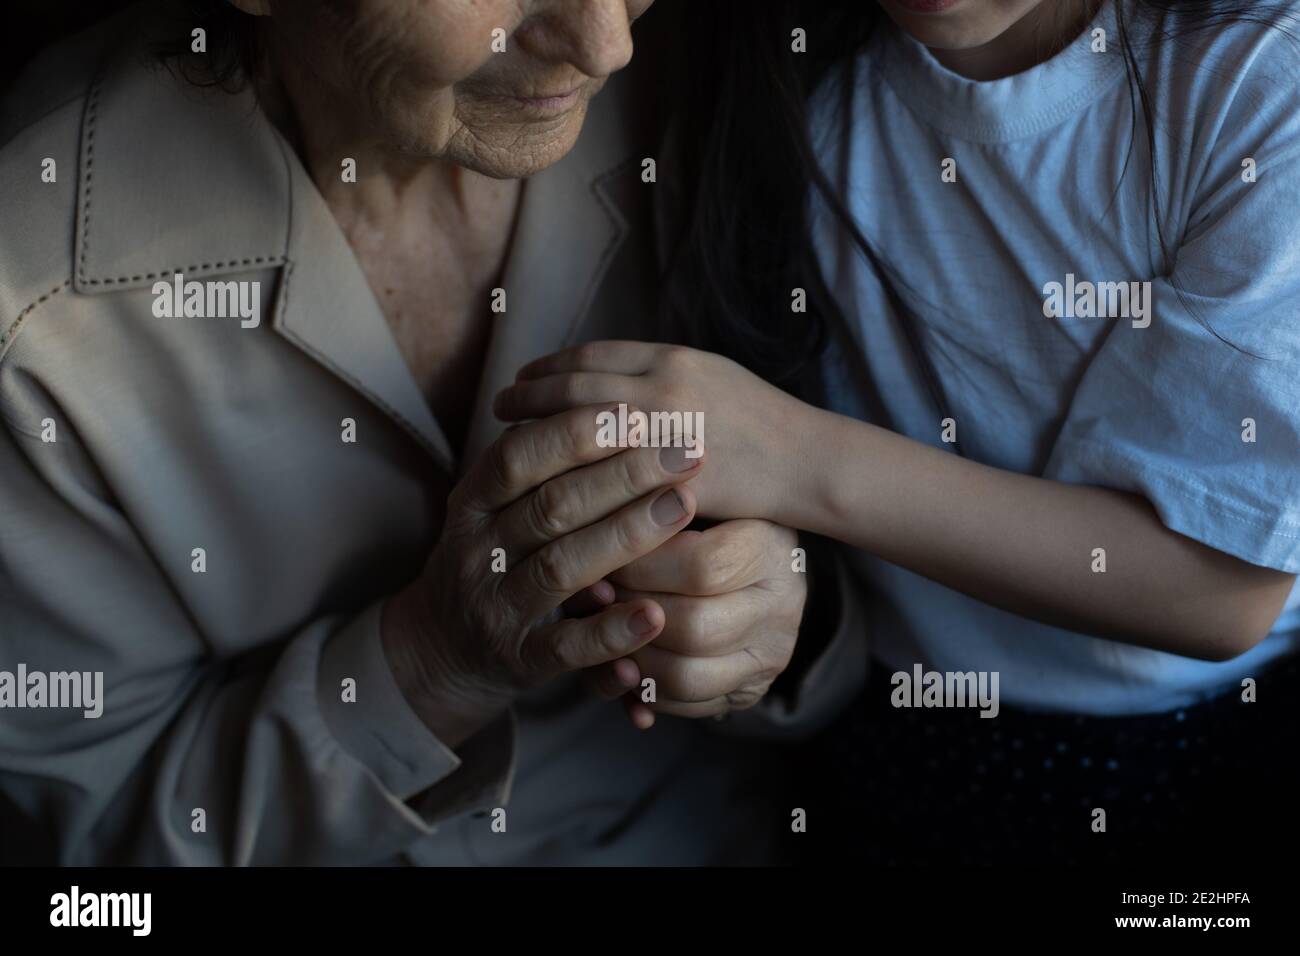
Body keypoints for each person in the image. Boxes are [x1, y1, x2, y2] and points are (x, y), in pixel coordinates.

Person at [0, 0, 864, 865]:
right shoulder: (31, 299)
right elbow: (103, 860)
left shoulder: (725, 64)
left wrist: (779, 603)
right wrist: (432, 666)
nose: (608, 42)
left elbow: (875, 553)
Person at [500, 0, 1300, 864]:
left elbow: (1218, 587)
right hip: (891, 736)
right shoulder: (793, 83)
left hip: (1201, 759)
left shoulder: (1255, 75)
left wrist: (792, 456)